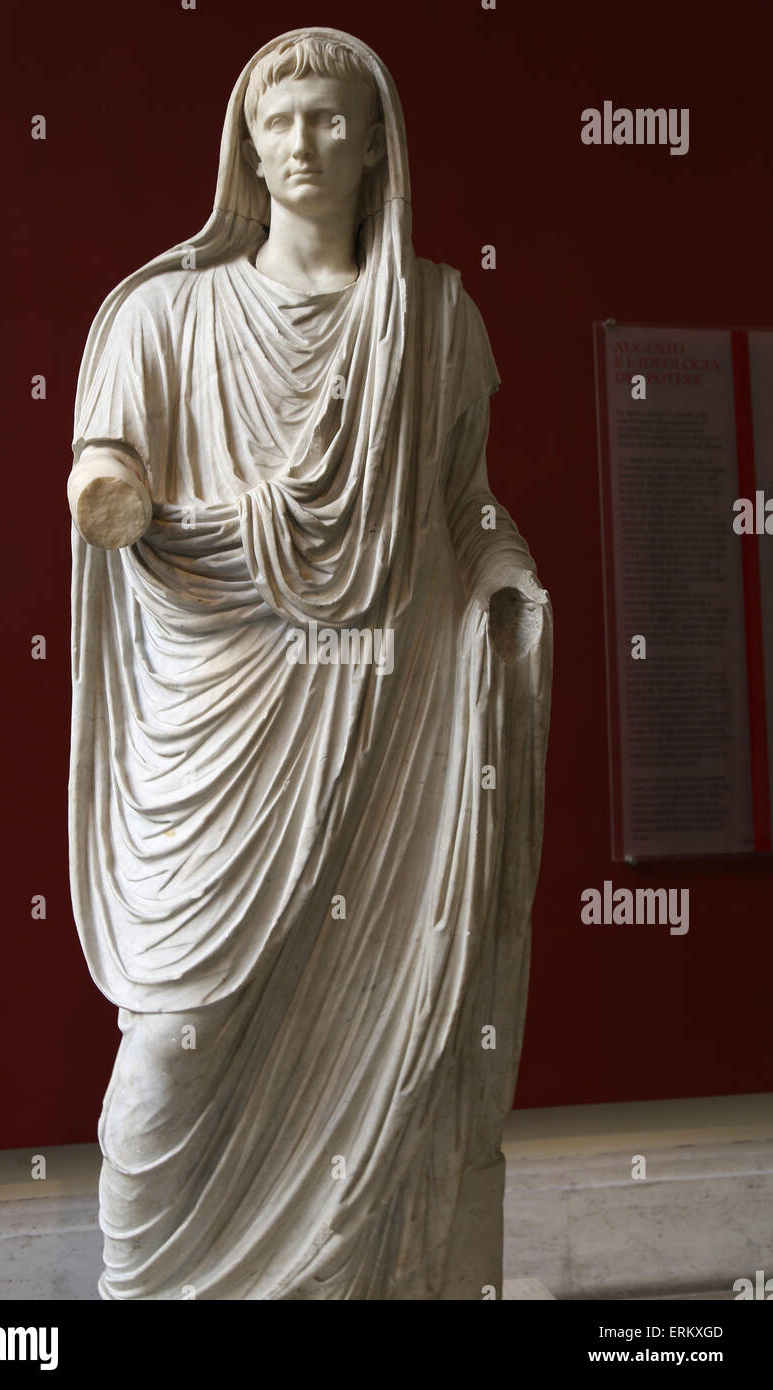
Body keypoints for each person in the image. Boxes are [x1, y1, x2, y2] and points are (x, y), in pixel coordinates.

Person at [68, 26, 552, 1300]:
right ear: (244, 144)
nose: (301, 144)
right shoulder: (161, 313)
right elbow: (109, 470)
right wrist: (111, 485)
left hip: (394, 730)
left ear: (377, 141)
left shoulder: (436, 315)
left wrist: (502, 576)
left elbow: (462, 504)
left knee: (389, 1038)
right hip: (219, 723)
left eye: (331, 120)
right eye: (278, 123)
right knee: (163, 1052)